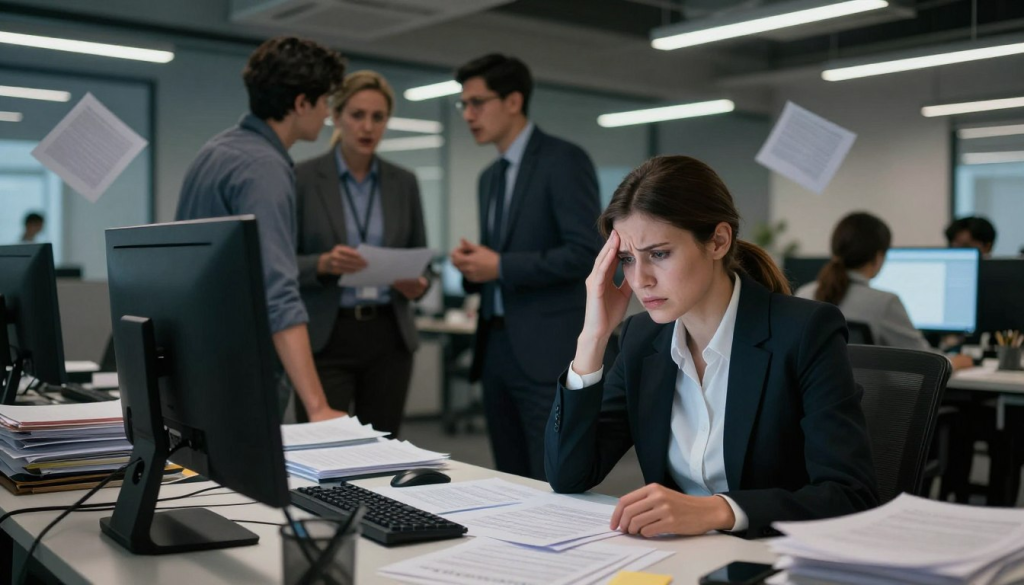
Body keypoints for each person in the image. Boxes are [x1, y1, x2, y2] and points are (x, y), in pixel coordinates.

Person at [546, 156, 878, 538]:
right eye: (626, 260)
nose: (641, 280)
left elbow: (850, 496)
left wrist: (718, 511)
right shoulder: (642, 340)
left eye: (659, 254)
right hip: (678, 558)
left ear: (718, 241)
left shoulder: (803, 332)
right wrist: (593, 338)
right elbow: (569, 475)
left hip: (766, 558)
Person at [175, 36, 346, 423]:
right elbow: (278, 294)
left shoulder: (216, 150)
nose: (328, 115)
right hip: (241, 368)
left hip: (201, 360)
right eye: (325, 103)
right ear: (301, 103)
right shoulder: (263, 168)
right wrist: (317, 407)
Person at [449, 54, 602, 480]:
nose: (468, 114)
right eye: (463, 105)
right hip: (495, 346)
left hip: (545, 347)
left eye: (477, 102)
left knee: (547, 474)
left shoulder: (563, 160)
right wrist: (474, 266)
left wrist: (500, 265)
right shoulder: (489, 177)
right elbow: (504, 261)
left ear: (513, 101)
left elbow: (586, 251)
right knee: (508, 473)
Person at [294, 70, 429, 435]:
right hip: (327, 333)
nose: (368, 126)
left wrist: (419, 284)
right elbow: (280, 263)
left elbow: (421, 257)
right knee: (324, 447)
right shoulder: (302, 178)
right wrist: (323, 263)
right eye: (357, 115)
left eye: (378, 117)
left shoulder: (403, 182)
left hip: (389, 335)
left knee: (385, 449)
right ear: (336, 117)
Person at [795, 212, 973, 370]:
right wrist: (956, 361)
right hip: (868, 404)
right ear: (878, 256)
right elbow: (927, 363)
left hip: (814, 404)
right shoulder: (884, 303)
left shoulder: (804, 294)